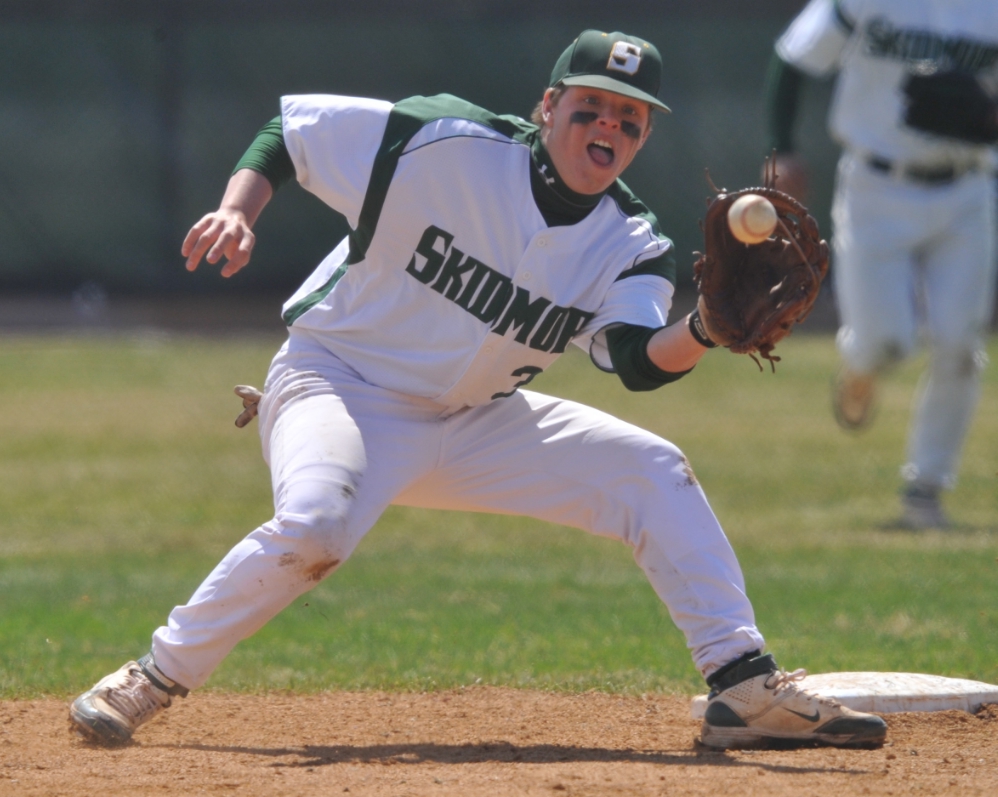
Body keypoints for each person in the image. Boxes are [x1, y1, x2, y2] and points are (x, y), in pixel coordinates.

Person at [68, 29, 887, 750]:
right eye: (593, 104)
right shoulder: (444, 139)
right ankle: (152, 676)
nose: (610, 124)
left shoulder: (631, 242)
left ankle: (742, 686)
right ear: (548, 105)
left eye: (629, 116)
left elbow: (633, 360)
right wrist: (236, 211)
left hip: (477, 420)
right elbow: (292, 132)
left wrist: (707, 329)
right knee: (316, 526)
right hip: (339, 384)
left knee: (653, 470)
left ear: (640, 138)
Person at [765, 0, 998, 528]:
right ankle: (860, 365)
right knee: (886, 342)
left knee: (960, 344)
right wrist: (782, 147)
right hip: (876, 187)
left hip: (968, 189)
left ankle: (926, 491)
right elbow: (794, 58)